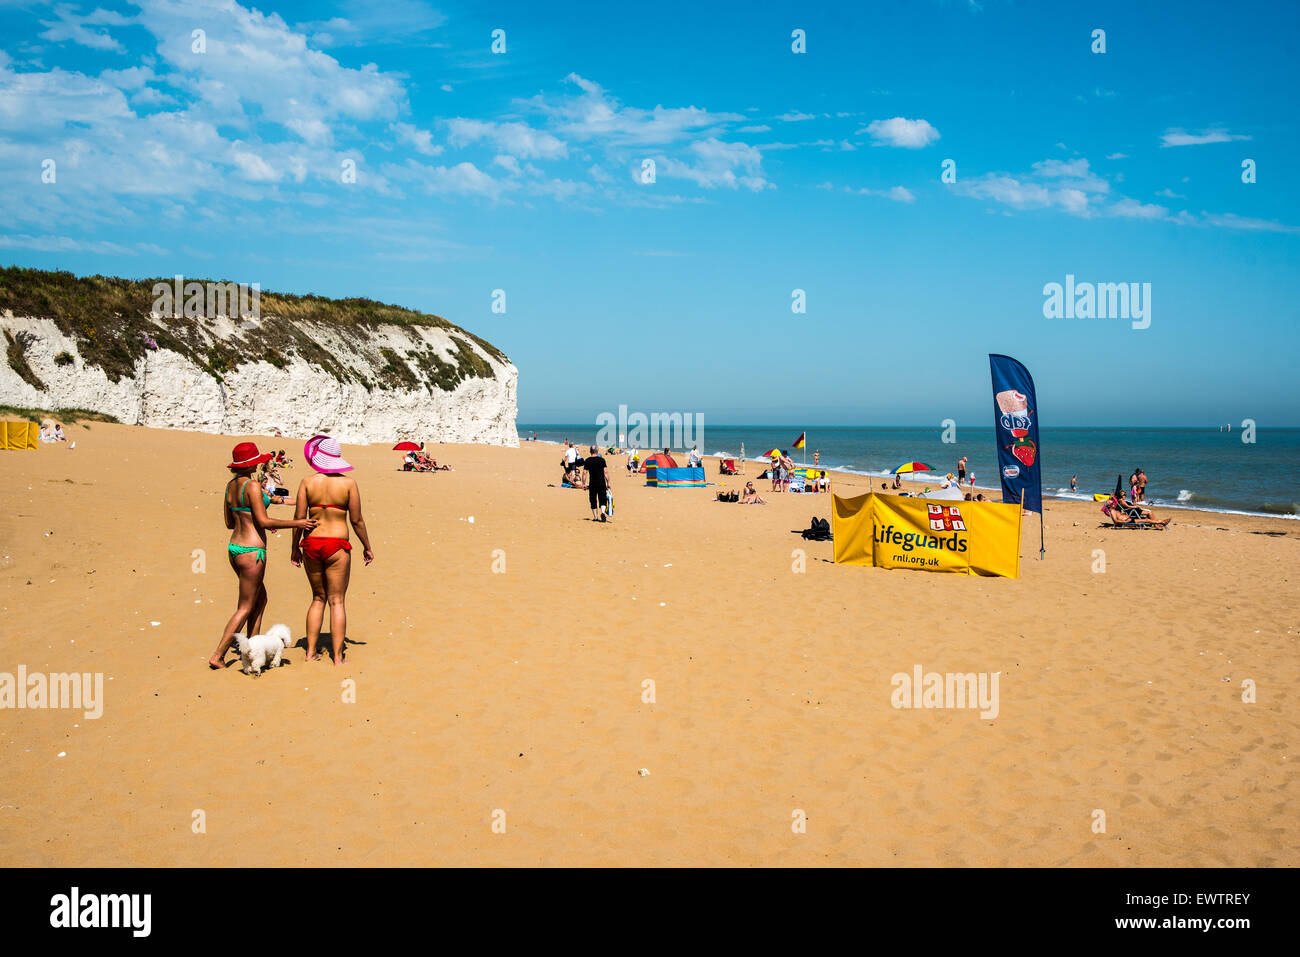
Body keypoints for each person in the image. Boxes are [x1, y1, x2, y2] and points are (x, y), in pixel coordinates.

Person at [208, 442, 317, 669]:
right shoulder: (252, 486)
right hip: (252, 550)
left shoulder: (231, 486)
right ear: (252, 463)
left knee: (260, 599)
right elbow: (264, 521)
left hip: (235, 548)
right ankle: (218, 654)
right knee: (245, 606)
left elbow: (230, 522)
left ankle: (251, 646)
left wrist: (254, 519)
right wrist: (299, 523)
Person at [292, 435, 374, 666]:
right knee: (337, 601)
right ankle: (338, 658)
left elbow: (299, 518)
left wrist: (294, 550)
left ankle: (310, 652)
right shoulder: (348, 484)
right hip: (337, 545)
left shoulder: (307, 482)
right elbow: (357, 520)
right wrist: (367, 546)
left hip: (311, 543)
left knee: (318, 598)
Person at [582, 445, 610, 521]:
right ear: (597, 451)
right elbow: (605, 473)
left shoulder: (587, 460)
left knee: (593, 500)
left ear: (590, 451)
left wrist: (583, 484)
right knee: (603, 499)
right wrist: (608, 483)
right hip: (601, 483)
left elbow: (584, 473)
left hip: (593, 483)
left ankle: (595, 517)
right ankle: (603, 513)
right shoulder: (602, 460)